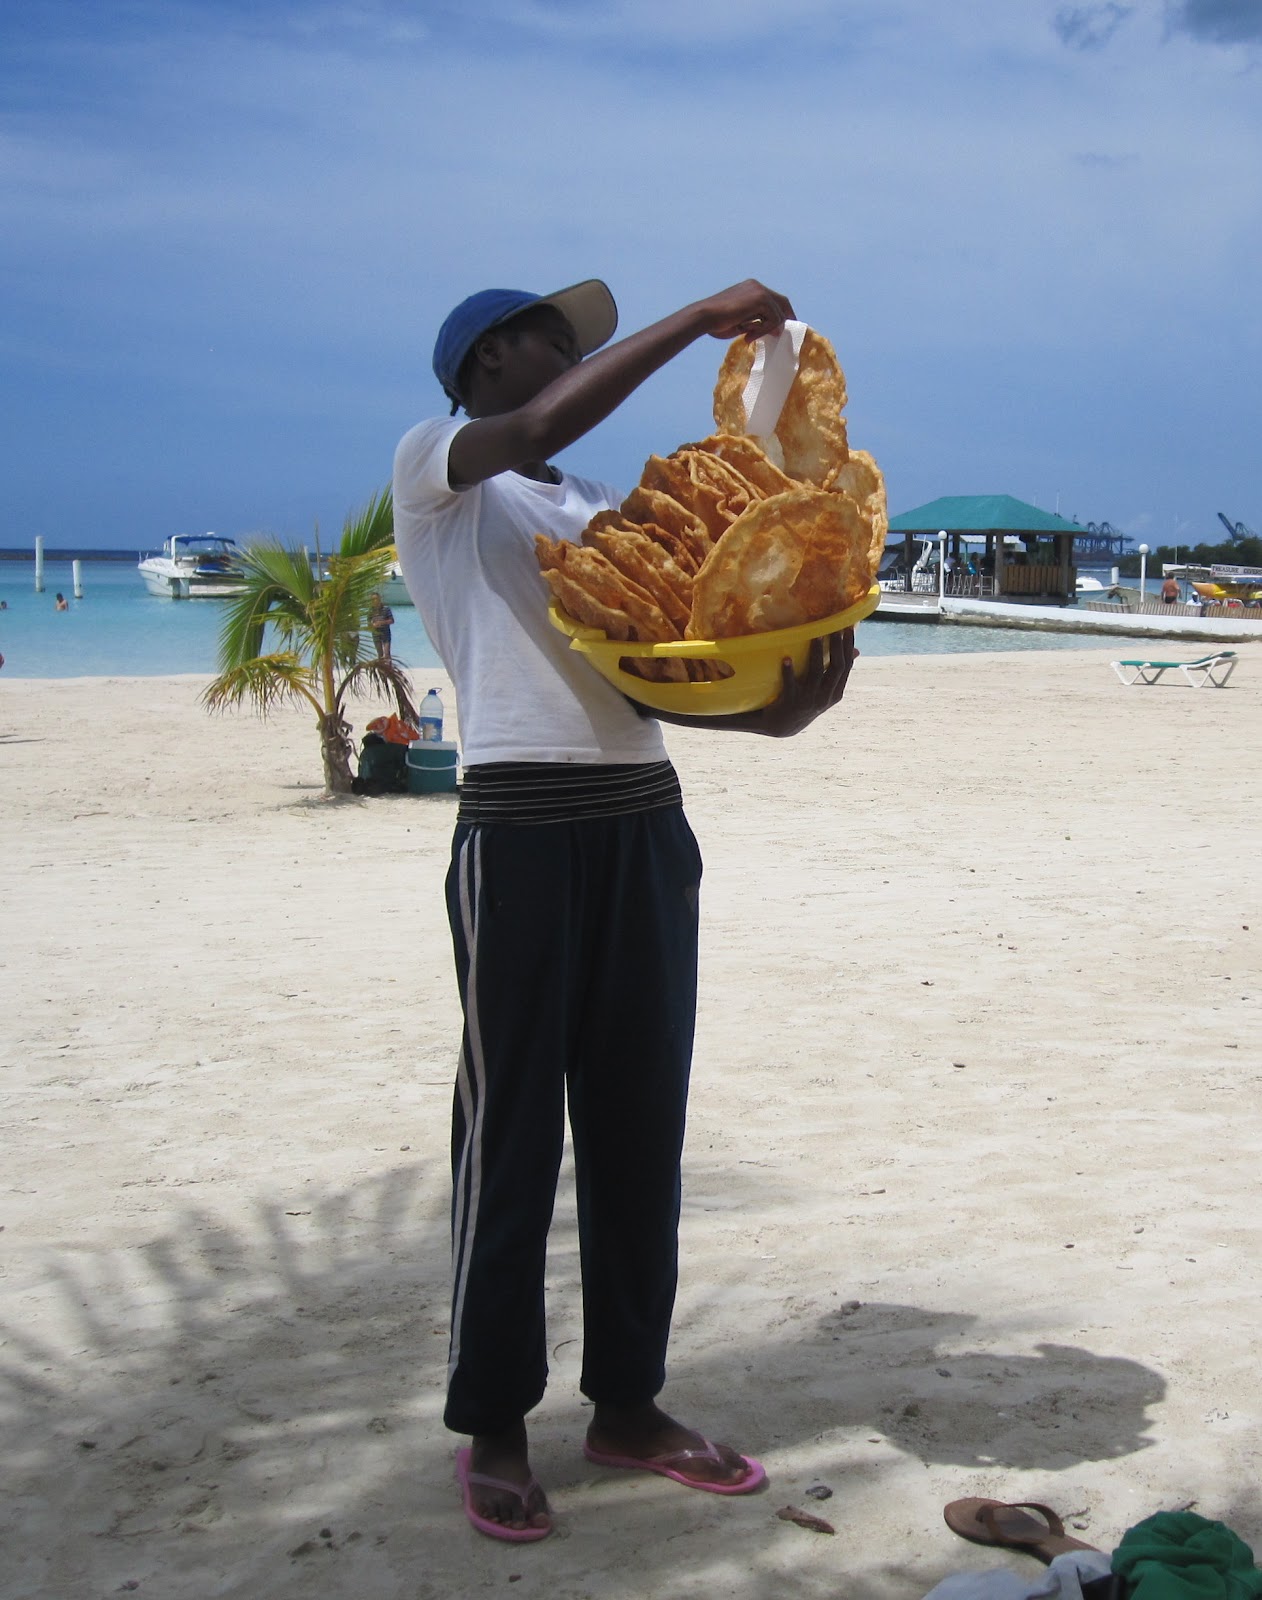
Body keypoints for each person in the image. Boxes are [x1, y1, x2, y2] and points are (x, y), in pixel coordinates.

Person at [393, 276, 856, 1543]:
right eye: (557, 342)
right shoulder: (442, 472)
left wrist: (774, 712)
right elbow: (533, 431)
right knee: (510, 1138)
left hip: (644, 821)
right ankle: (493, 1420)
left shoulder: (599, 511)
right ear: (490, 356)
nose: (570, 364)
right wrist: (695, 317)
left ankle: (628, 1406)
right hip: (520, 832)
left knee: (639, 1124)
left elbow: (661, 679)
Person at [367, 592, 394, 660]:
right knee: (380, 654)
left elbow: (392, 620)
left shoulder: (386, 609)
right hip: (376, 634)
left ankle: (389, 668)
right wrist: (372, 625)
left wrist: (382, 622)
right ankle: (381, 669)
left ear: (379, 599)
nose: (375, 601)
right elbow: (368, 623)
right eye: (373, 599)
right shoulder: (370, 610)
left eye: (376, 599)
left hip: (385, 633)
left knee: (387, 653)